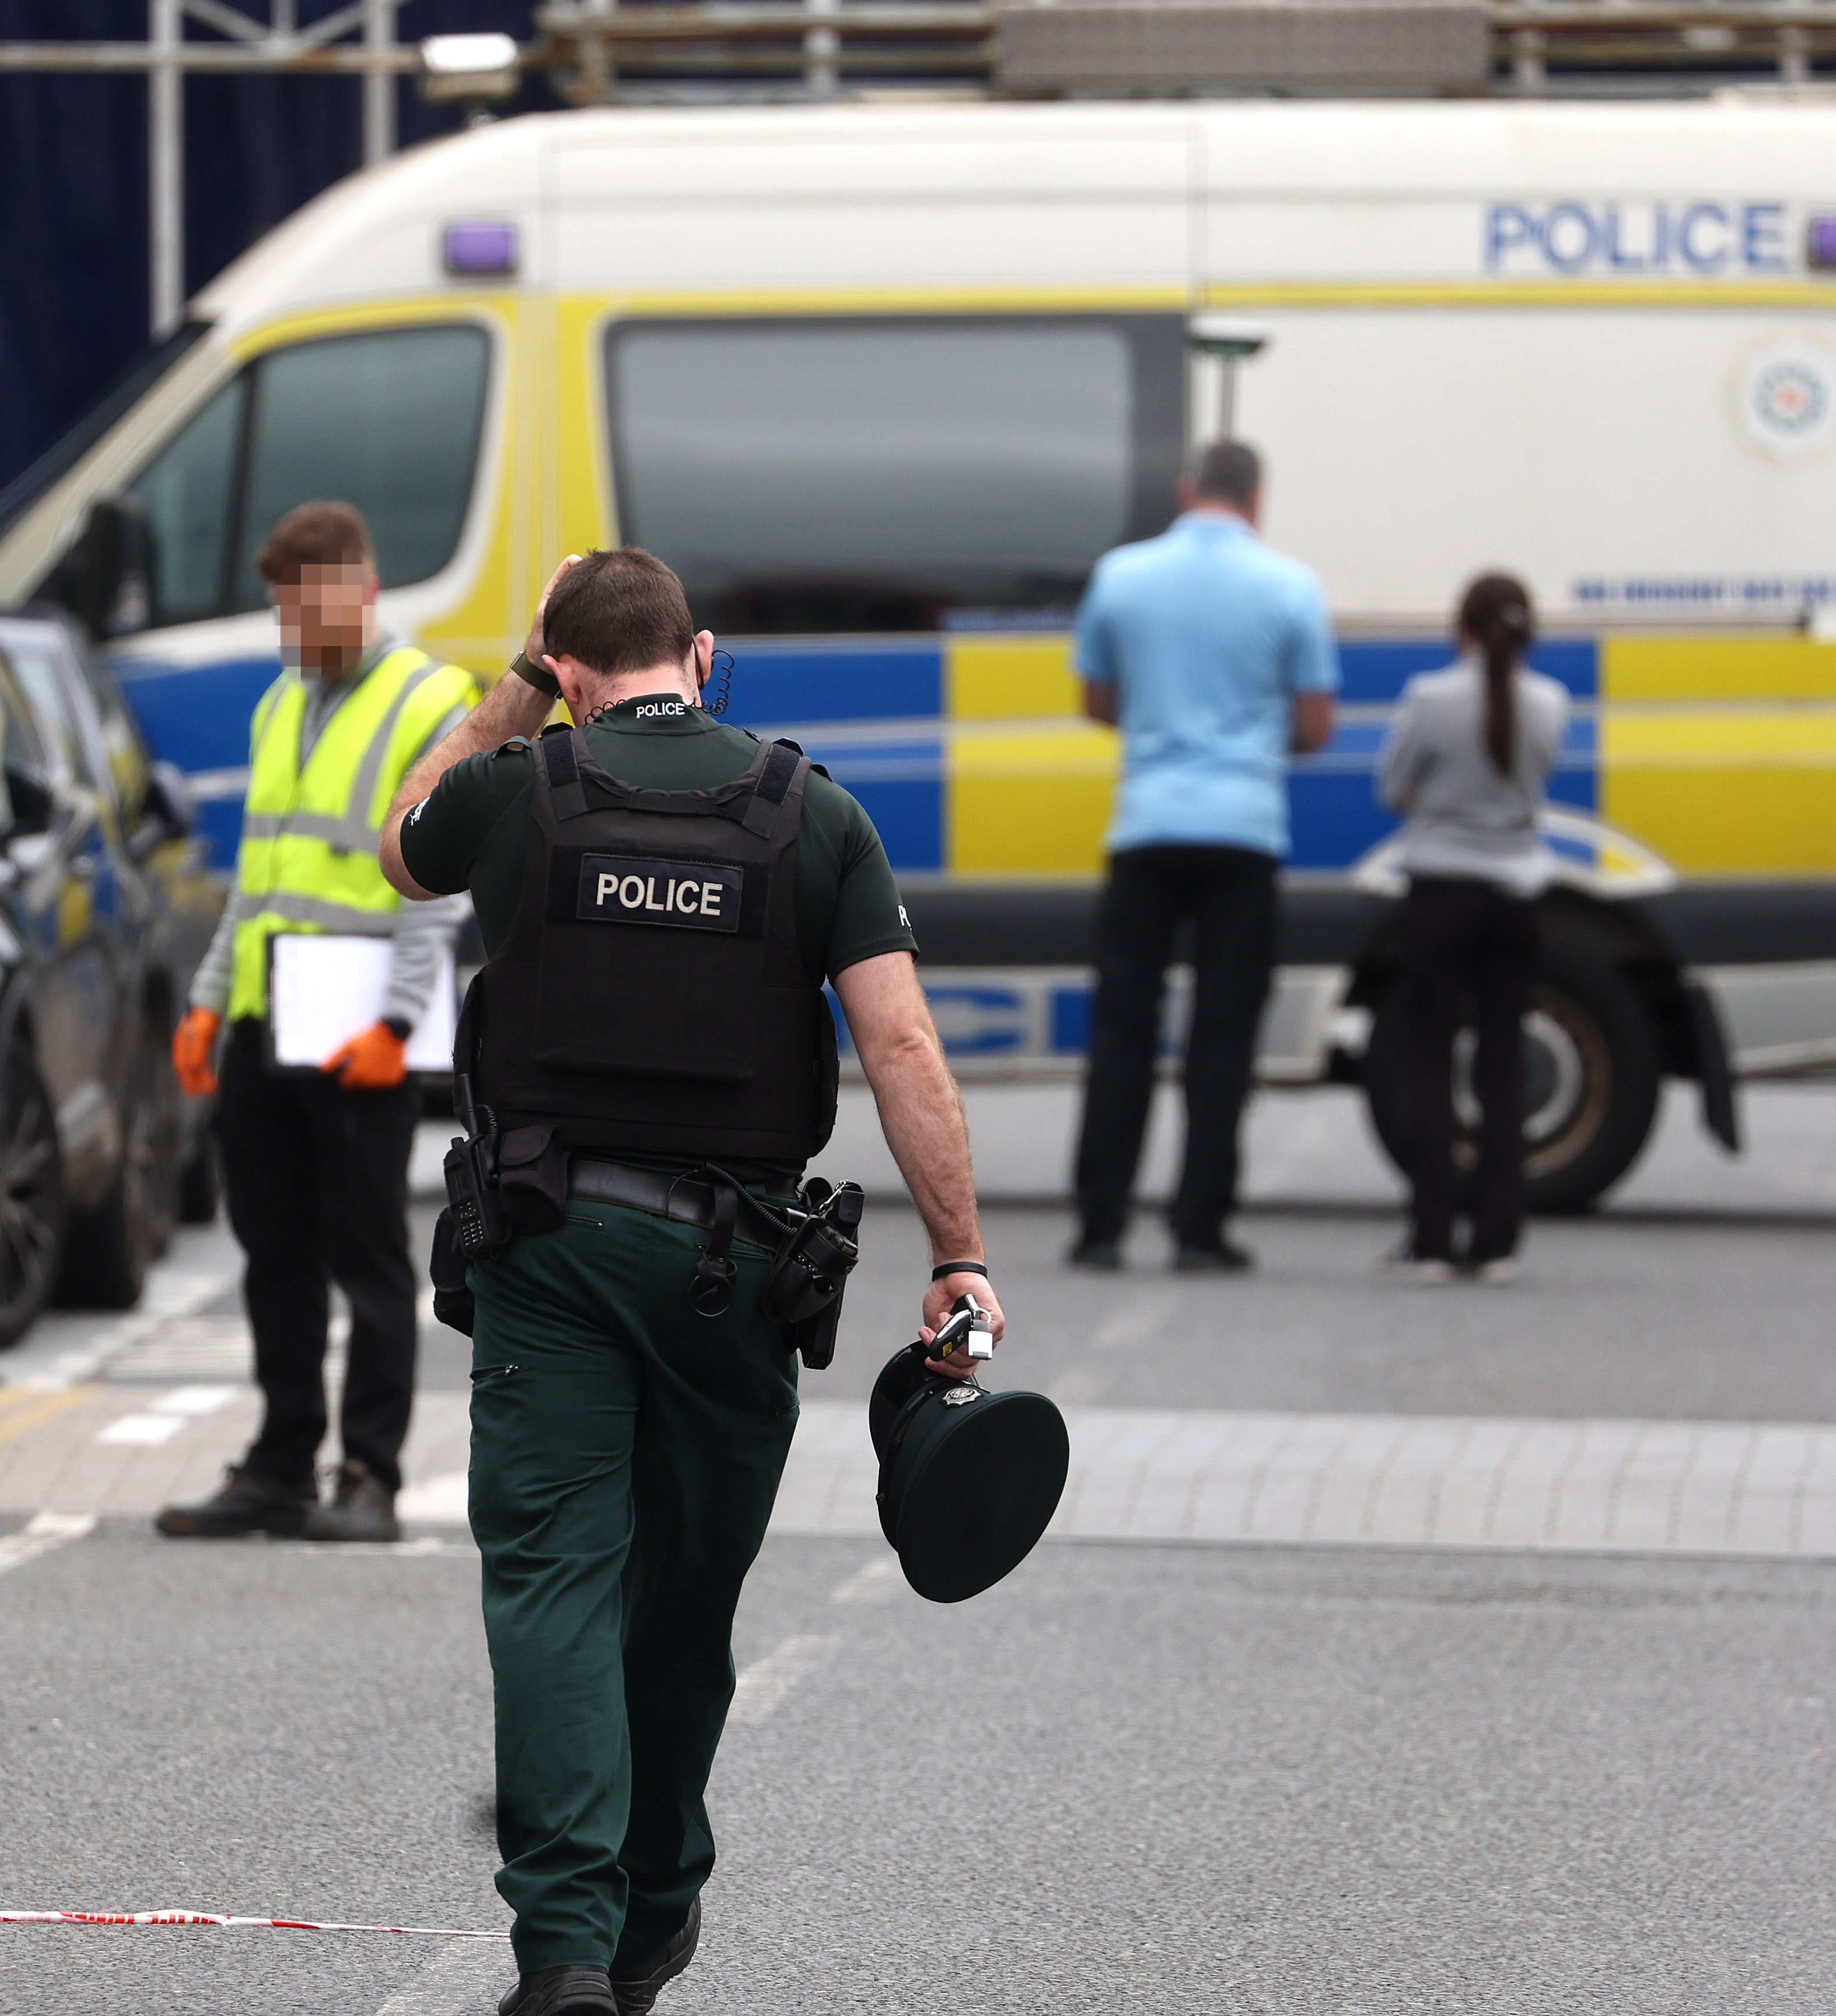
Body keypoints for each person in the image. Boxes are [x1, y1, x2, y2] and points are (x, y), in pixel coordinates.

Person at [383, 547, 1011, 2016]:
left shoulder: (519, 789)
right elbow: (900, 1046)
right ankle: (651, 1912)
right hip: (737, 1270)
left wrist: (513, 690)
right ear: (703, 656)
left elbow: (402, 841)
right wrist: (959, 1256)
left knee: (552, 1584)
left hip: (549, 1255)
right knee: (683, 1600)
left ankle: (563, 1950)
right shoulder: (812, 815)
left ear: (567, 670)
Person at [155, 502, 480, 1544]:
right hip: (268, 1024)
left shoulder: (432, 701)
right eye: (283, 611)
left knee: (368, 1260)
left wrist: (396, 1023)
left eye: (311, 608)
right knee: (274, 1254)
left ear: (364, 590)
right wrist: (209, 1001)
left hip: (358, 1038)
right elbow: (258, 878)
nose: (296, 630)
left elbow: (437, 885)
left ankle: (370, 1475)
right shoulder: (279, 706)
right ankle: (281, 1463)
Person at [1067, 440, 1337, 1275]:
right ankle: (1200, 1227)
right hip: (1242, 831)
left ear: (1187, 491)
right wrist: (1246, 739)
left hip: (1146, 824)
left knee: (1123, 1028)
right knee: (1223, 1034)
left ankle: (1101, 1224)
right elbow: (1315, 724)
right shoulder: (1291, 585)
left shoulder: (1120, 576)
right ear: (1256, 499)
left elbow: (1096, 700)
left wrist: (1162, 724)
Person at [1374, 572, 1567, 1281]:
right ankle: (1497, 1241)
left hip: (1440, 889)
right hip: (1517, 892)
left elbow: (1392, 787)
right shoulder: (1551, 702)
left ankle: (1430, 1239)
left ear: (1462, 627)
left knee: (1430, 1062)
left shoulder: (1430, 697)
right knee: (1503, 1067)